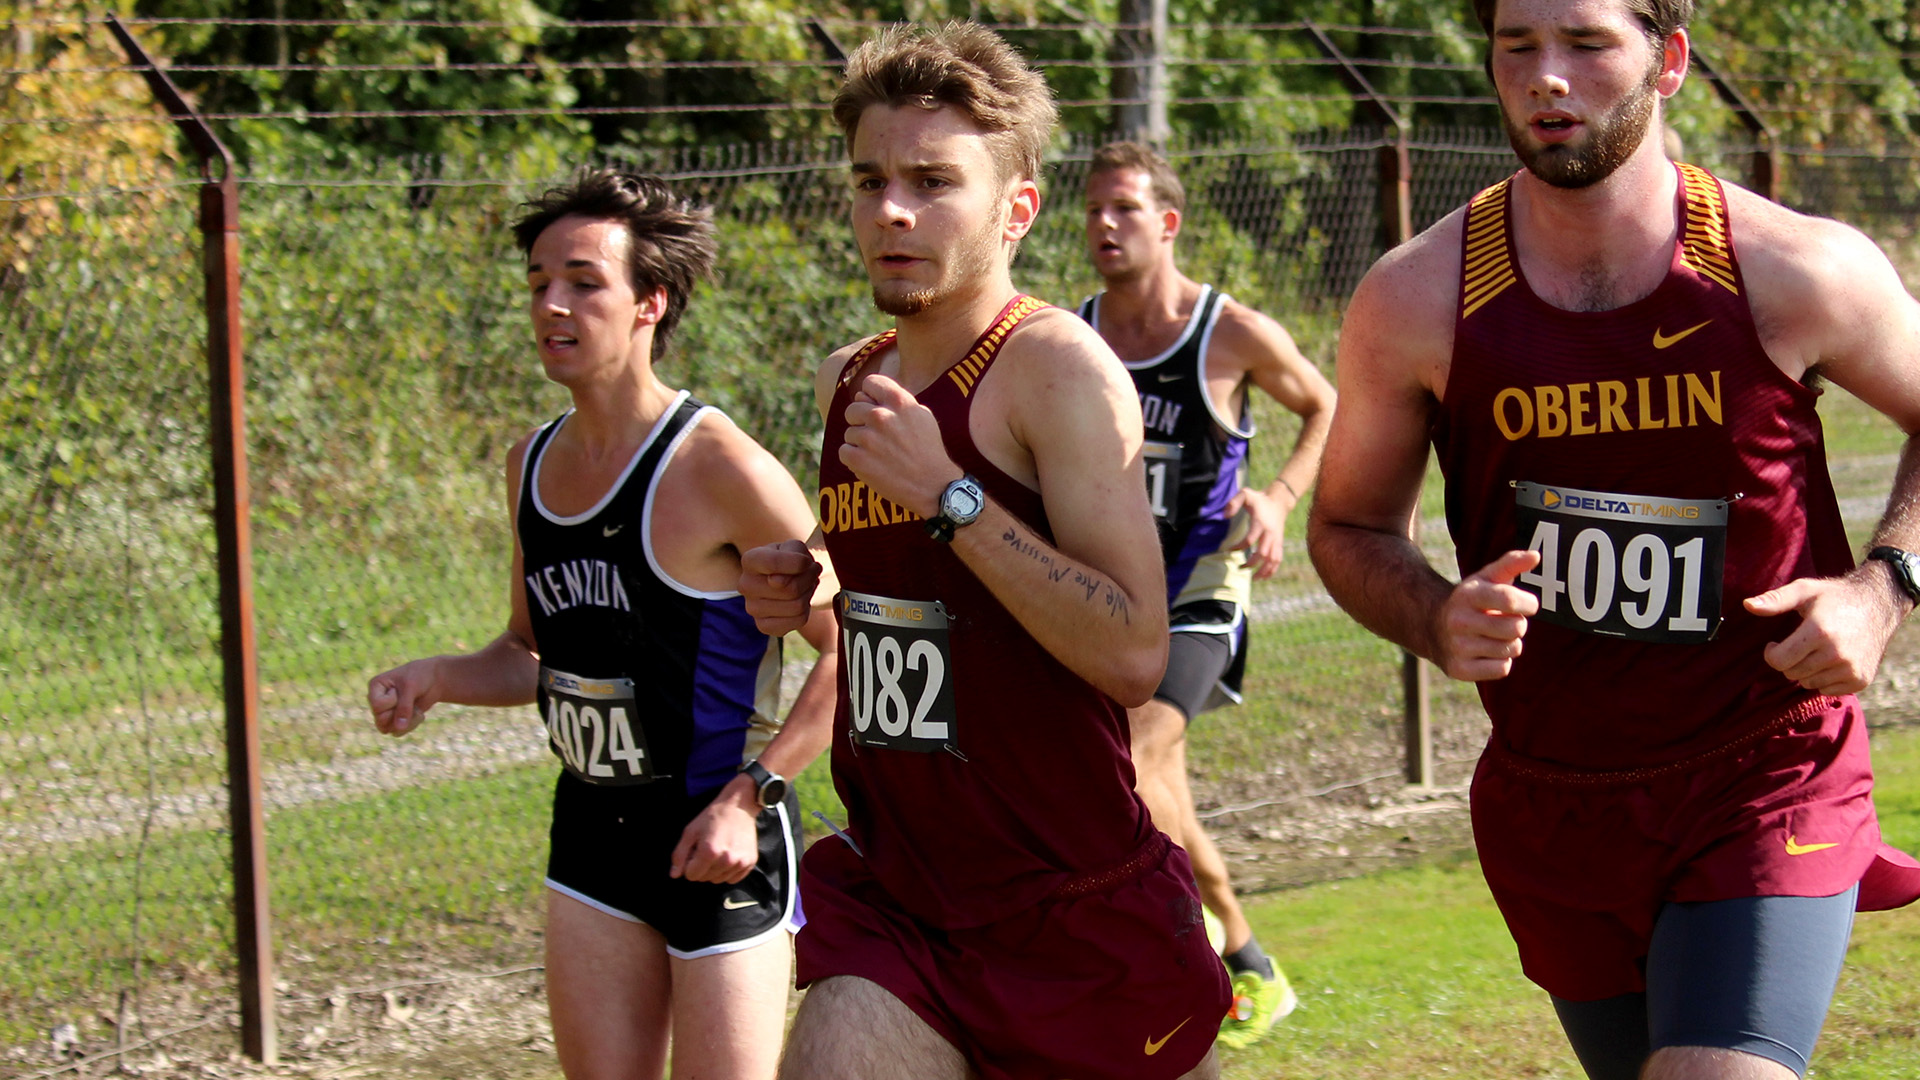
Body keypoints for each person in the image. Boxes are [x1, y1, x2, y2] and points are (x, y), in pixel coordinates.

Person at [1305, 2, 1920, 1079]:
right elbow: (1350, 525)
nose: (1548, 78)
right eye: (1517, 47)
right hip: (1556, 802)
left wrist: (1884, 586)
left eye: (1587, 45)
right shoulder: (1414, 300)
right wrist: (1436, 614)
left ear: (1668, 61)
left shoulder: (1794, 269)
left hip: (1766, 768)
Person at [738, 23, 1228, 1080]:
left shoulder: (1059, 369)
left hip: (1072, 908)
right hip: (902, 905)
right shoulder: (849, 380)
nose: (892, 212)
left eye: (931, 180)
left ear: (1017, 209)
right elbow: (892, 584)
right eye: (870, 180)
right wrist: (804, 577)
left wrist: (949, 496)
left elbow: (1136, 650)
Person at [365, 169, 838, 1080]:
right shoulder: (529, 466)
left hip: (717, 836)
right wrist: (437, 676)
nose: (553, 304)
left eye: (584, 282)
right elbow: (528, 653)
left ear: (649, 302)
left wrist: (754, 794)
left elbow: (849, 647)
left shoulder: (721, 468)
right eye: (540, 282)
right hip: (591, 834)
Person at [1079, 139, 1336, 1049]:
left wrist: (1278, 496)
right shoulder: (1070, 334)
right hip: (1105, 591)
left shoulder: (1229, 332)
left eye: (1126, 209)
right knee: (1160, 786)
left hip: (1201, 581)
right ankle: (1248, 957)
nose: (1105, 226)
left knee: (1143, 754)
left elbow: (1324, 404)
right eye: (1094, 210)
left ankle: (1157, 966)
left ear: (1169, 223)